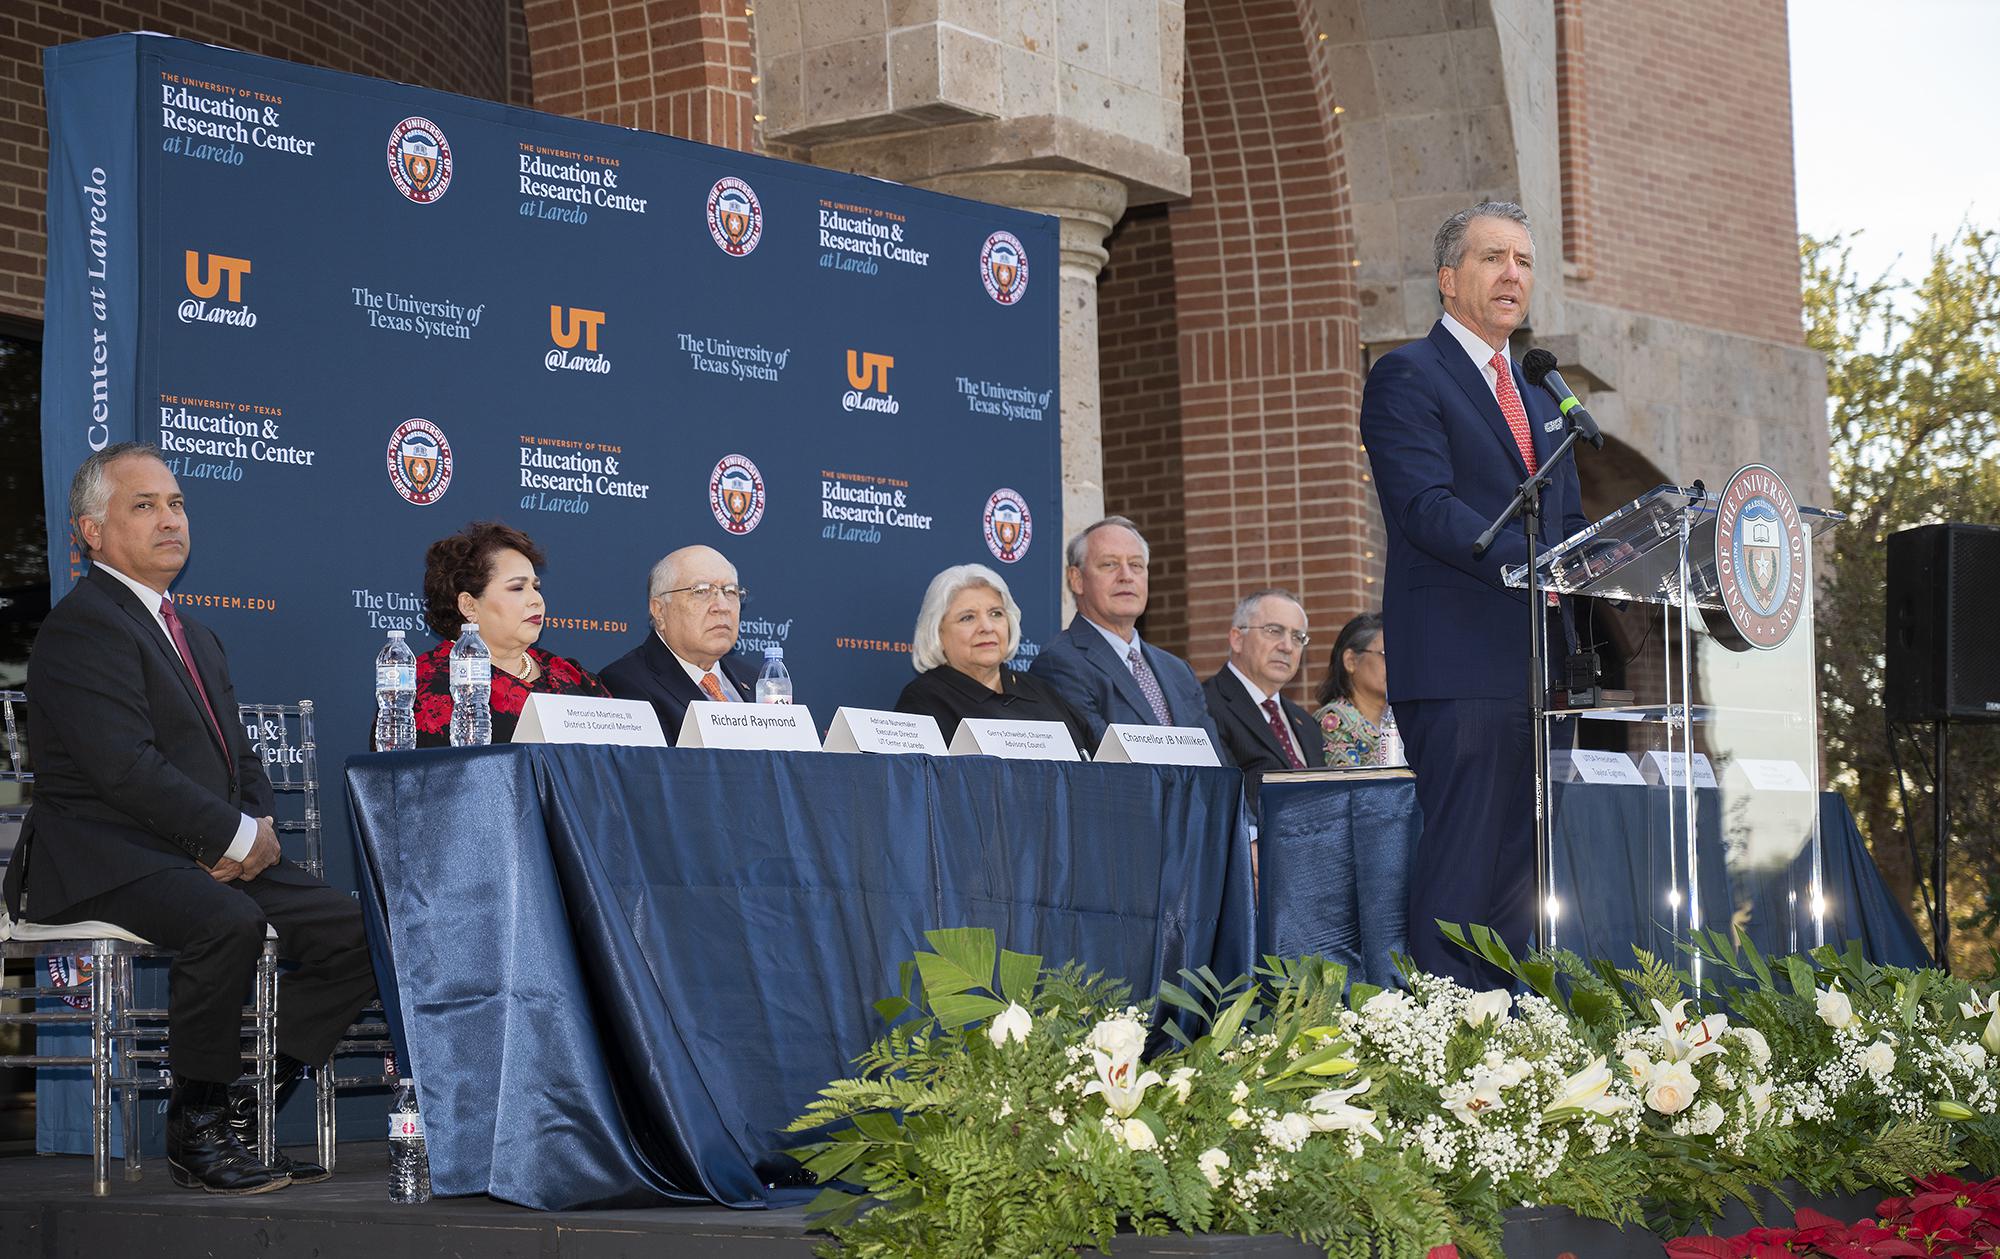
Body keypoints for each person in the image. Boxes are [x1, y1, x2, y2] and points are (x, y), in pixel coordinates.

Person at [2, 443, 376, 1194]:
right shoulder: (81, 627)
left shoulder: (195, 634)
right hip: (102, 856)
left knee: (360, 929)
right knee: (223, 922)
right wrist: (230, 839)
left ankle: (248, 1100)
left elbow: (243, 763)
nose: (169, 518)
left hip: (196, 854)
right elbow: (124, 769)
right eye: (144, 506)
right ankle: (193, 1124)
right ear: (92, 532)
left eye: (175, 504)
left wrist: (256, 836)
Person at [1358, 201, 1587, 985]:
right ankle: (1448, 1042)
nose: (1512, 275)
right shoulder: (1407, 375)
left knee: (1524, 885)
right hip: (1459, 666)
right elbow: (1426, 507)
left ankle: (1515, 1047)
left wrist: (1595, 558)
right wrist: (1539, 557)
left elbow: (1574, 522)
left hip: (1535, 672)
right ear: (1449, 279)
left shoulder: (1542, 392)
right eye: (1494, 258)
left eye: (1523, 261)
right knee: (1462, 873)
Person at [1028, 516, 1221, 754]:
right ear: (1077, 580)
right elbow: (1107, 759)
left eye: (1136, 565)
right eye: (1109, 564)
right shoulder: (1060, 663)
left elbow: (1215, 762)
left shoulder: (1178, 670)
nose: (1126, 576)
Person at [413, 521, 609, 747]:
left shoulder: (572, 676)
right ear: (468, 605)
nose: (537, 600)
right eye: (517, 588)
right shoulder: (429, 685)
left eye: (536, 587)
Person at [895, 563, 1093, 751]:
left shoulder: (1040, 690)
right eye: (968, 617)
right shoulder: (924, 701)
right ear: (938, 633)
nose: (987, 627)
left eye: (996, 614)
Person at [599, 545, 756, 742]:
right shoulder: (626, 683)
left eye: (731, 591)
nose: (722, 606)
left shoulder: (756, 681)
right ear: (659, 610)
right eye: (701, 591)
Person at [1202, 589, 1318, 808]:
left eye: (1297, 637)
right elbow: (1219, 797)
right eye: (1274, 631)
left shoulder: (1307, 724)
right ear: (1237, 639)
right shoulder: (1205, 707)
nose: (1287, 646)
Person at [1315, 612, 1392, 768]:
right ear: (1350, 661)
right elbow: (1348, 789)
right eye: (1386, 654)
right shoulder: (1335, 719)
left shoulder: (1399, 719)